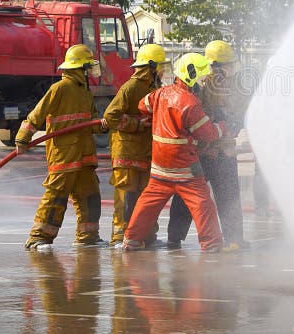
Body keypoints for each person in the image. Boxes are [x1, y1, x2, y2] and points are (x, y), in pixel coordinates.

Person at [121, 52, 227, 252]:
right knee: (202, 202)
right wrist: (222, 127)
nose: (202, 82)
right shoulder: (190, 103)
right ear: (191, 75)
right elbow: (208, 134)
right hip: (184, 166)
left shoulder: (160, 93)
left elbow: (142, 105)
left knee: (148, 202)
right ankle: (212, 244)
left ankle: (131, 240)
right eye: (201, 77)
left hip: (160, 163)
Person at [18, 44, 107, 250]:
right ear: (80, 69)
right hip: (64, 154)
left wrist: (101, 125)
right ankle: (38, 238)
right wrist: (23, 138)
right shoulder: (59, 88)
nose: (90, 72)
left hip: (84, 155)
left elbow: (91, 118)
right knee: (56, 197)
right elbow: (36, 114)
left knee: (90, 197)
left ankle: (88, 237)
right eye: (87, 68)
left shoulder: (84, 91)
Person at [167, 40, 249, 250]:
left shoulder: (233, 86)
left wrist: (237, 121)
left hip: (222, 150)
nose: (231, 69)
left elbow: (240, 111)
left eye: (231, 65)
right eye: (227, 65)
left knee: (227, 195)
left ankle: (233, 239)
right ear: (215, 65)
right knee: (188, 195)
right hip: (204, 151)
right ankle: (174, 238)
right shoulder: (199, 86)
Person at [103, 43, 169, 248]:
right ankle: (119, 237)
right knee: (126, 196)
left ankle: (146, 236)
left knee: (145, 197)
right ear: (150, 66)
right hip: (127, 152)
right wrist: (136, 124)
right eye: (160, 66)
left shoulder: (154, 87)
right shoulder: (131, 86)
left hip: (144, 152)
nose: (163, 70)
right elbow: (110, 115)